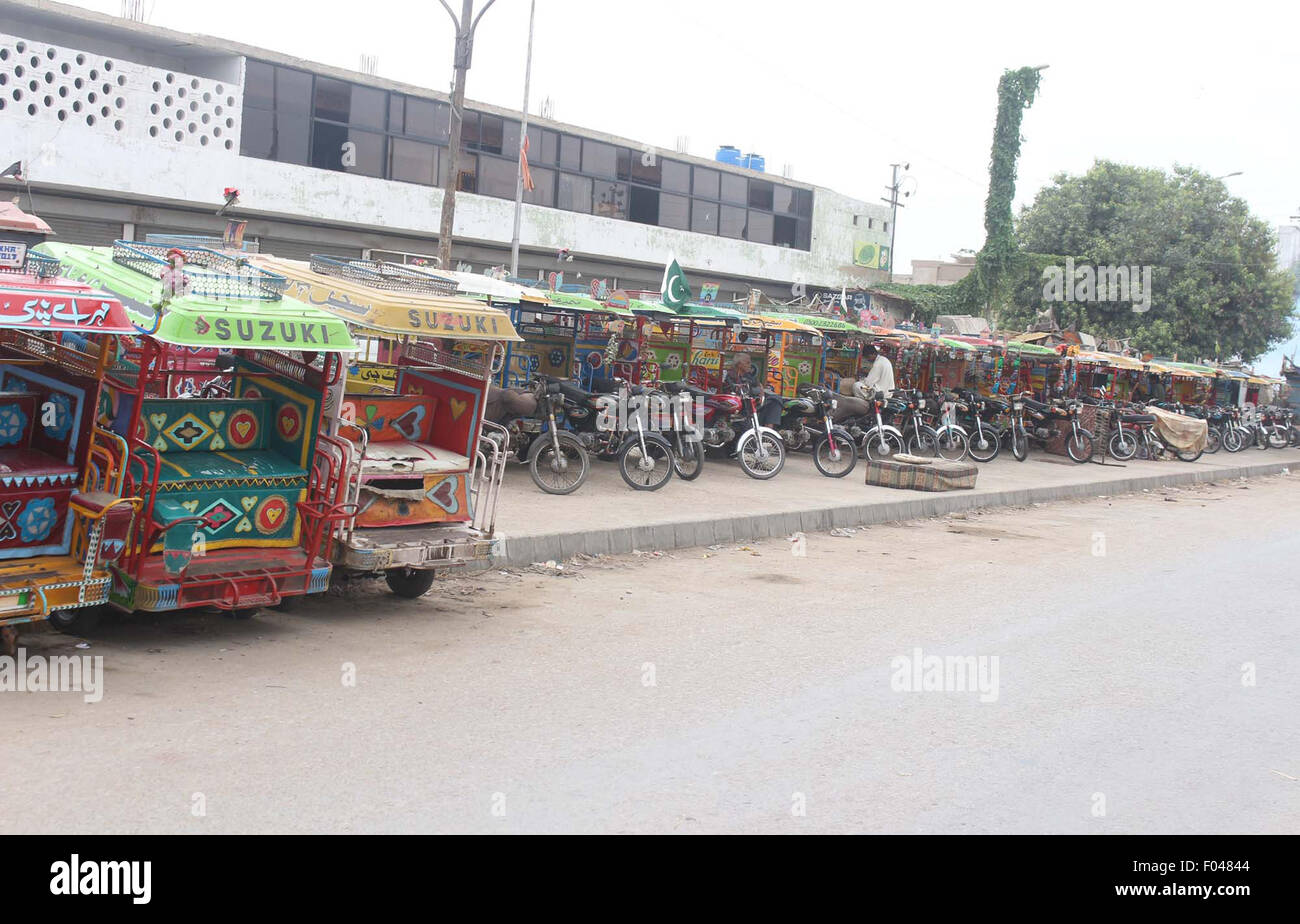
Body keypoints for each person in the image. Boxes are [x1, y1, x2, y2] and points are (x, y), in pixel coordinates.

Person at [723, 352, 782, 427]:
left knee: (776, 399)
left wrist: (761, 391)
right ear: (739, 364)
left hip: (754, 398)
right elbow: (737, 389)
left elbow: (758, 383)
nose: (750, 365)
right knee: (775, 401)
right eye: (747, 363)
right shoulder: (732, 375)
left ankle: (768, 428)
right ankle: (769, 427)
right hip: (744, 402)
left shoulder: (747, 375)